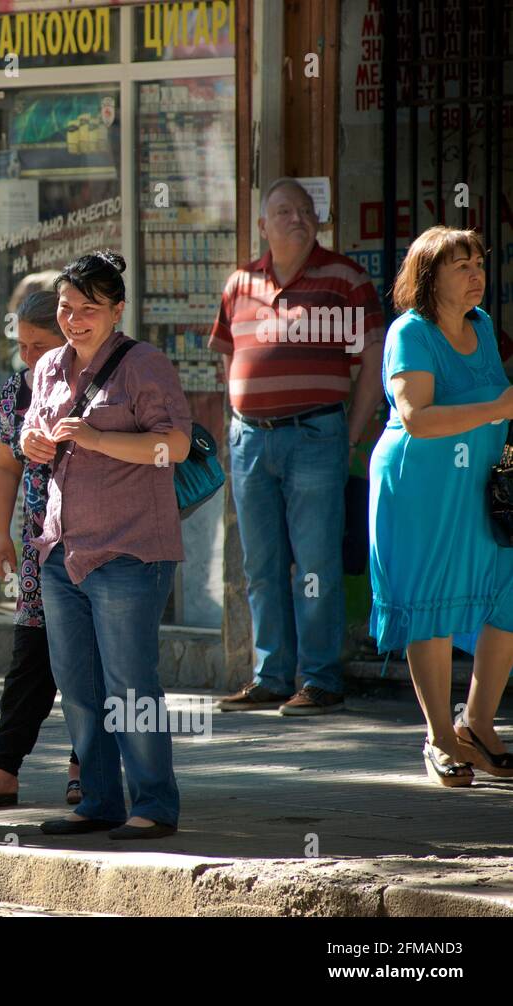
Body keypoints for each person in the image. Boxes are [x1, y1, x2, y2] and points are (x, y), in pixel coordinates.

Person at [21, 252, 191, 841]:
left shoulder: (144, 365)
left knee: (130, 682)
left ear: (117, 310)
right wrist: (32, 444)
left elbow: (176, 447)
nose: (74, 319)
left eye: (89, 309)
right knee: (78, 684)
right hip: (61, 548)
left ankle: (153, 804)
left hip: (130, 550)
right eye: (67, 307)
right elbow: (31, 432)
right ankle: (98, 800)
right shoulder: (47, 366)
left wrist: (95, 439)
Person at [212, 178, 385, 716]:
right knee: (260, 565)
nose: (297, 217)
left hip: (316, 436)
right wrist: (236, 420)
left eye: (305, 210)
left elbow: (374, 356)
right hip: (250, 441)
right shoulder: (240, 282)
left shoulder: (344, 277)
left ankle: (320, 678)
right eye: (284, 210)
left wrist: (352, 429)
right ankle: (270, 675)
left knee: (315, 563)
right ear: (263, 226)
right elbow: (227, 354)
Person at [368, 226, 513, 786]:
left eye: (479, 263)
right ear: (431, 277)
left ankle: (477, 723)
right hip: (419, 489)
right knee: (427, 602)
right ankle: (439, 738)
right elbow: (417, 418)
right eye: (462, 266)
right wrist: (498, 406)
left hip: (474, 488)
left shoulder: (482, 326)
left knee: (506, 590)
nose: (477, 274)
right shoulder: (411, 331)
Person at [0, 290, 80, 810]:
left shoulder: (105, 381)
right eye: (22, 345)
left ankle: (87, 765)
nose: (28, 357)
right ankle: (3, 771)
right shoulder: (17, 389)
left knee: (92, 659)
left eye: (39, 344)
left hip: (104, 542)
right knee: (31, 657)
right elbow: (3, 464)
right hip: (39, 547)